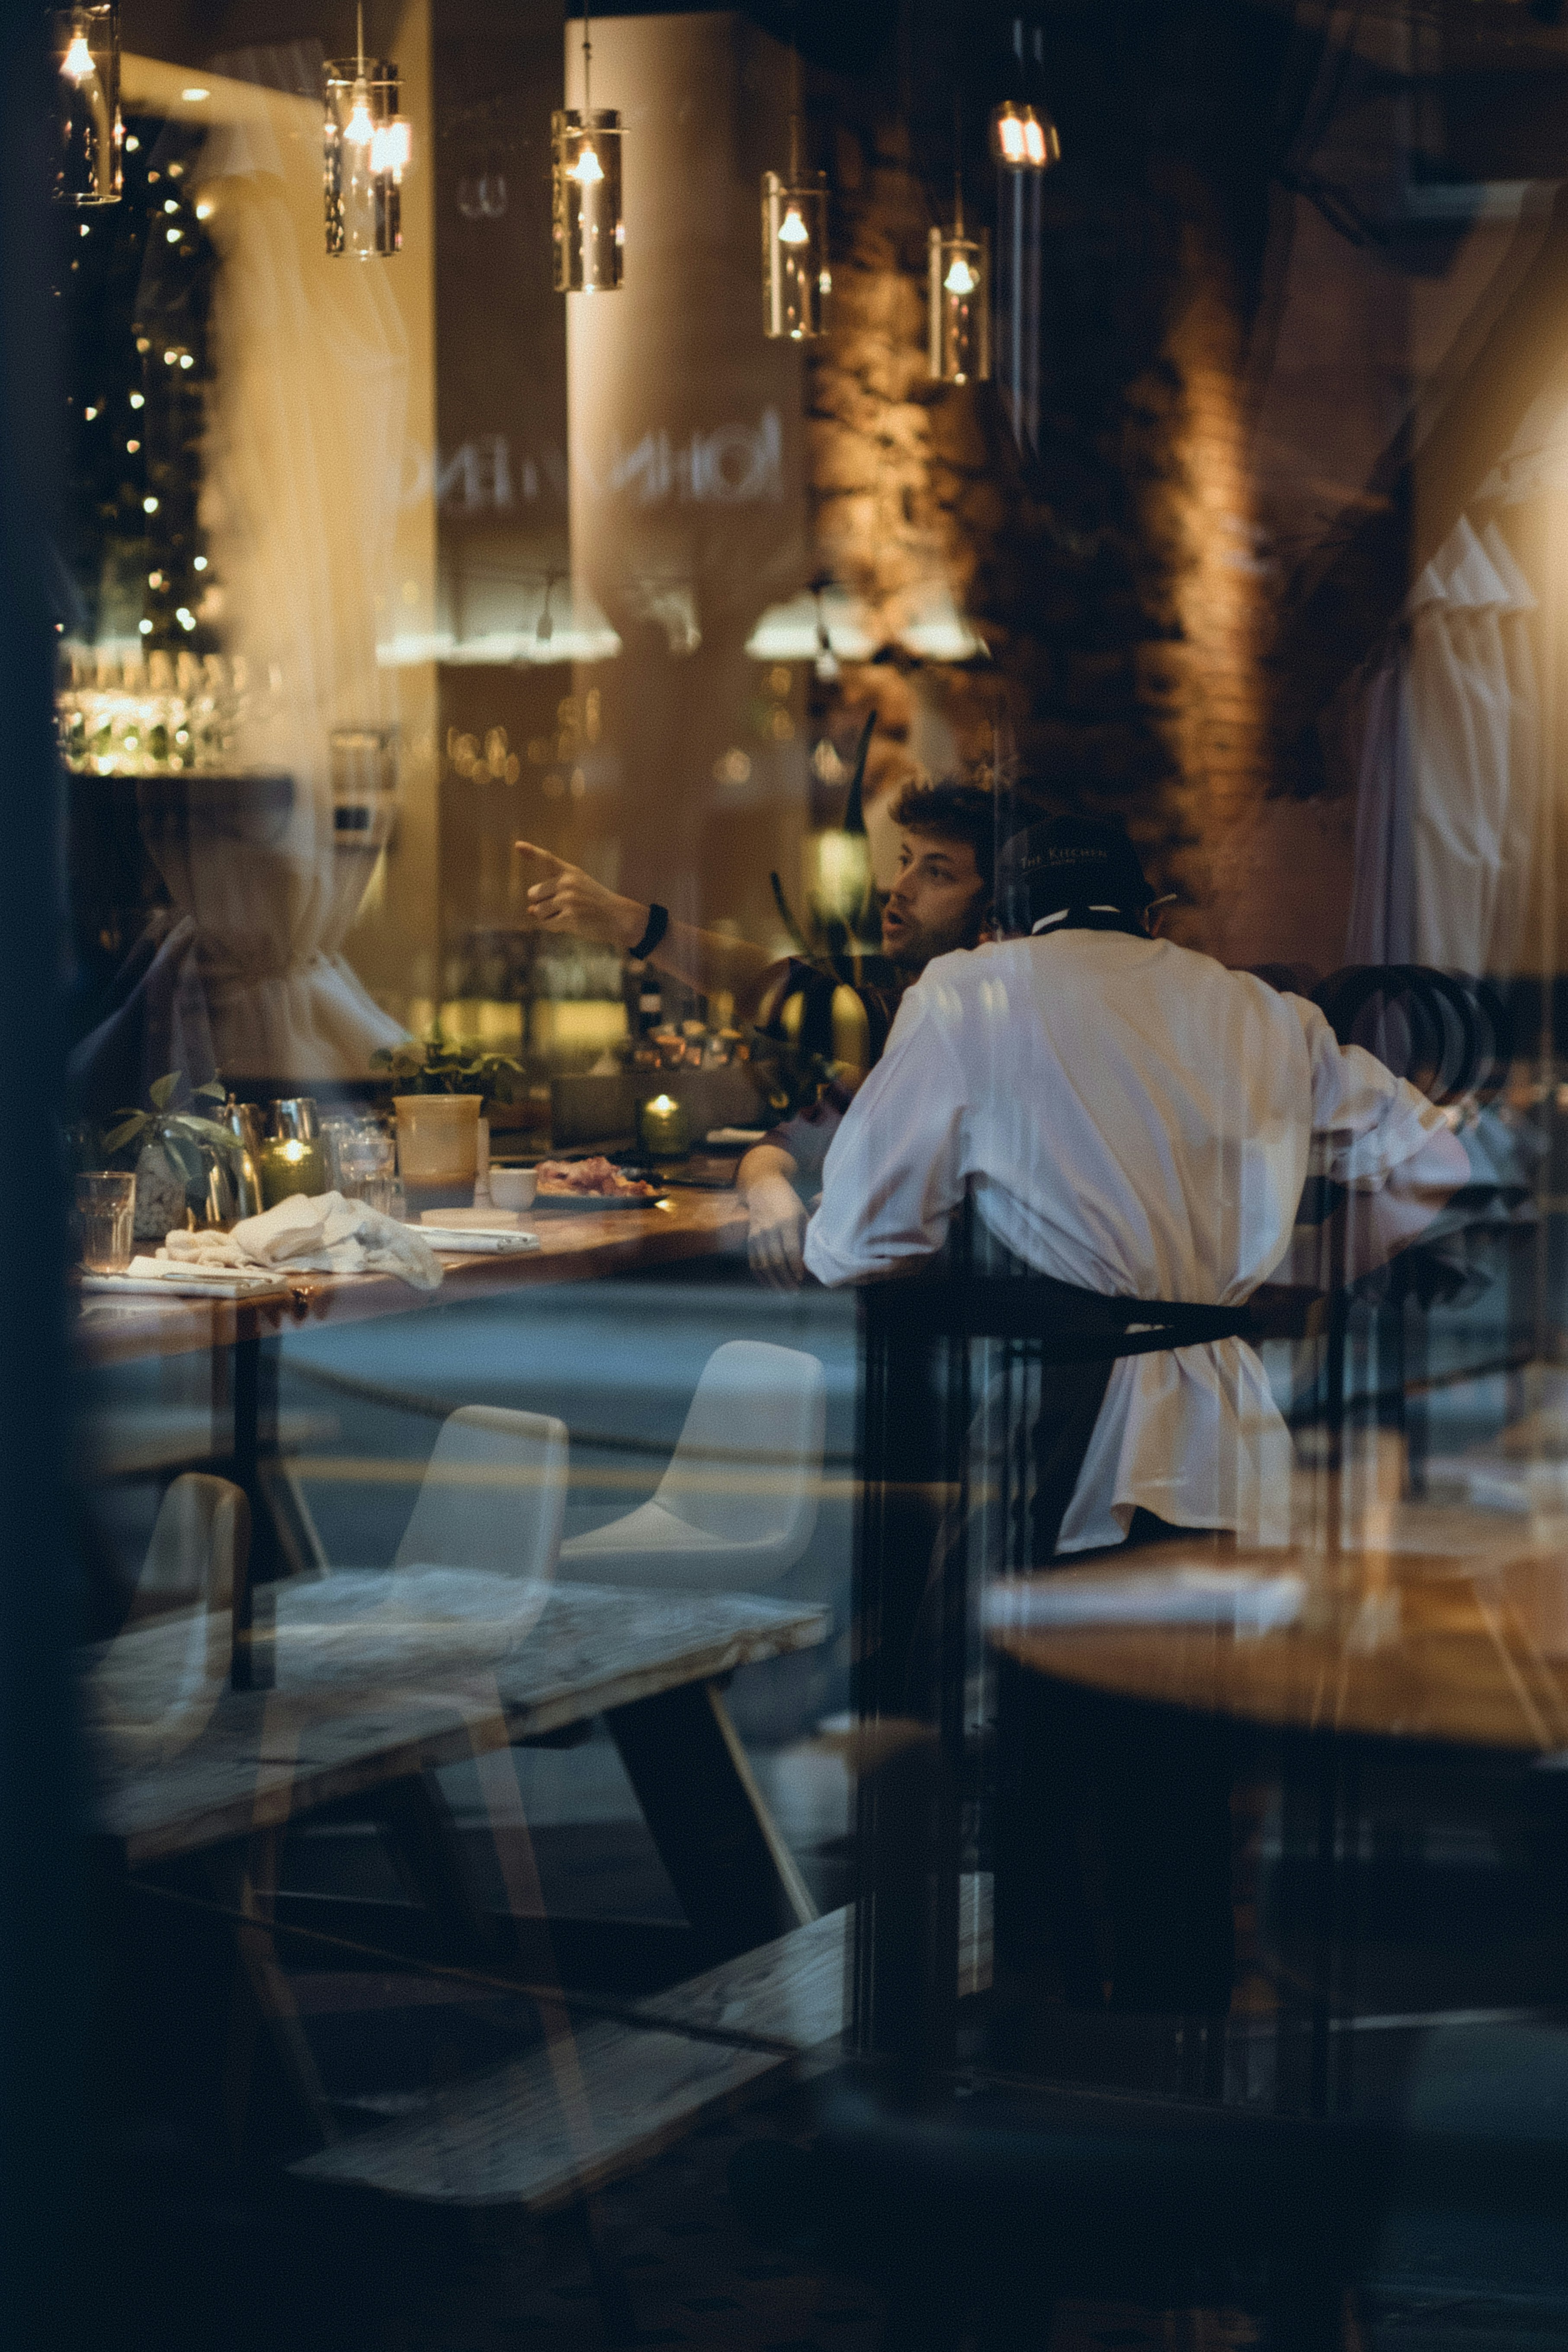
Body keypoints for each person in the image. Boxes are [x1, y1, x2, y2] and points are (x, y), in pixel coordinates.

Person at [804, 813, 1469, 2018]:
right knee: (1180, 1778)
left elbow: (857, 1241)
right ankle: (1180, 2057)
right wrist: (1314, 1264)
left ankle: (1046, 2060)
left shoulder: (972, 993)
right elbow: (1437, 1166)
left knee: (1028, 1771)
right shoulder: (1261, 1010)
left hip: (1073, 1429)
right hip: (1223, 1427)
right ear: (1150, 912)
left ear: (1013, 918)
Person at [517, 779, 998, 1286]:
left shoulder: (971, 1014)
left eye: (937, 872)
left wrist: (633, 924)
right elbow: (793, 1137)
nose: (902, 885)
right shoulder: (910, 1028)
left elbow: (803, 1000)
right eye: (905, 860)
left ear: (991, 915)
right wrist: (767, 1185)